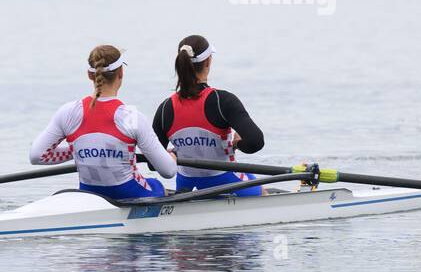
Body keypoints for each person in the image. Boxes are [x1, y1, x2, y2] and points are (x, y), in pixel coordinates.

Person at [29, 44, 175, 199]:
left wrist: (79, 150)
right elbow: (168, 171)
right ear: (121, 73)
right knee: (156, 184)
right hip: (130, 194)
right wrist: (172, 157)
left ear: (89, 75)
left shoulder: (69, 112)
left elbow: (38, 155)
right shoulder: (131, 116)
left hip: (90, 195)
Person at [152, 35, 265, 196]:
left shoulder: (164, 109)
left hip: (187, 189)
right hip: (228, 183)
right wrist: (237, 144)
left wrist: (175, 153)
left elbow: (152, 163)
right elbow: (255, 142)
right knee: (262, 191)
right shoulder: (222, 101)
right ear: (208, 62)